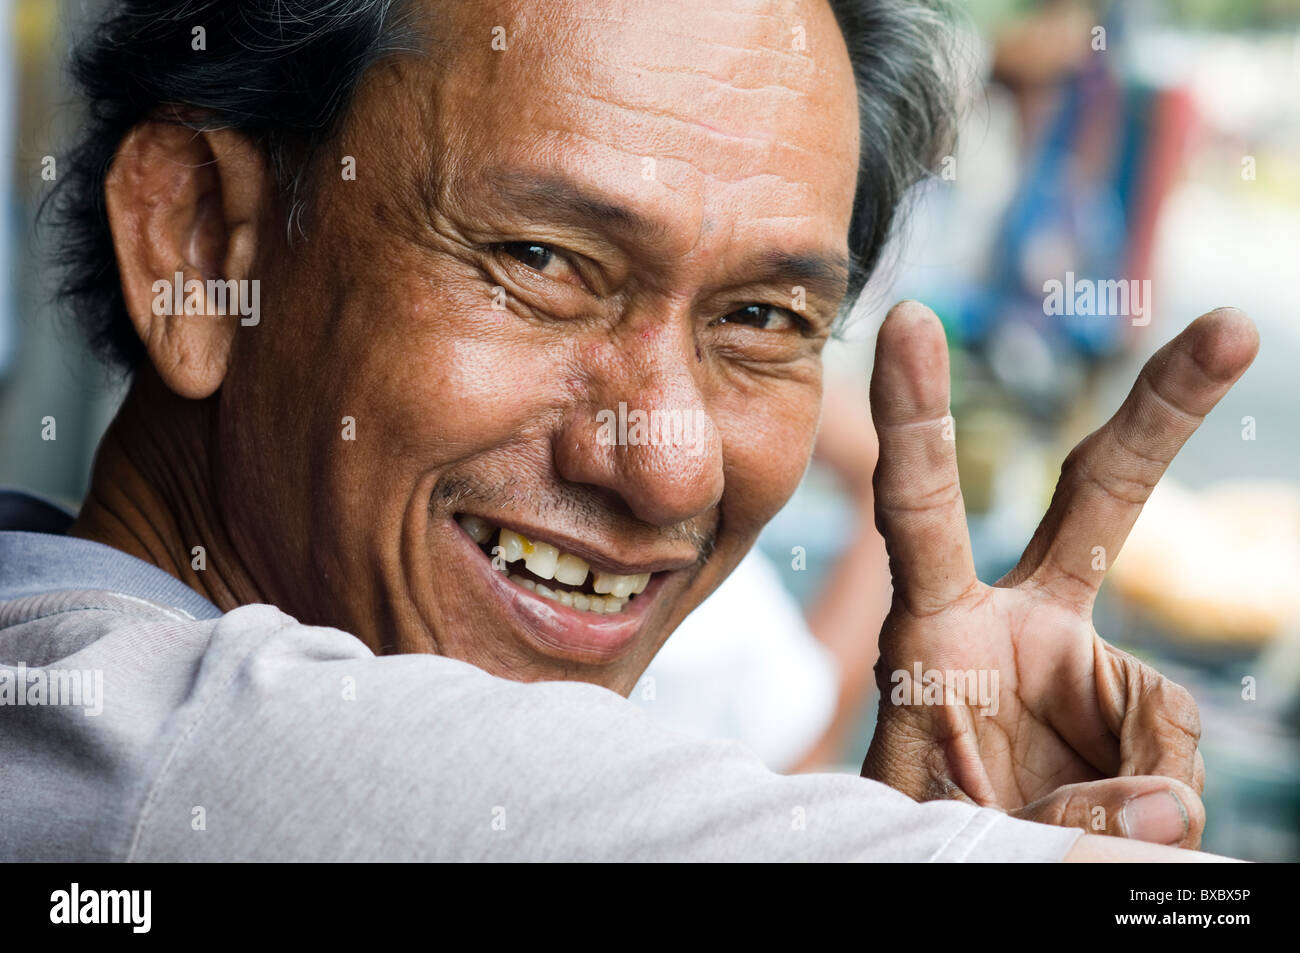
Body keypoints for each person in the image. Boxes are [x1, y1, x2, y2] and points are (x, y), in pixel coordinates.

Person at [0, 0, 1256, 861]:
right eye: (539, 259)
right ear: (203, 247)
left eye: (762, 316)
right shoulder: (136, 757)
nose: (667, 463)